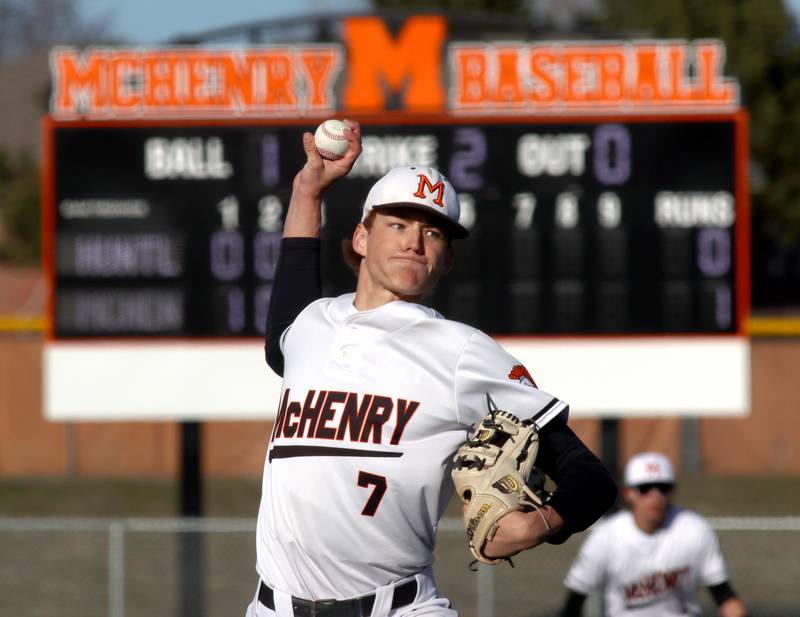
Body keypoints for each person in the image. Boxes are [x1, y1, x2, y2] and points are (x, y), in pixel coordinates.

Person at [246, 119, 617, 617]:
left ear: (446, 261)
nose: (414, 243)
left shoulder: (462, 352)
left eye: (432, 233)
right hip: (271, 608)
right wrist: (307, 191)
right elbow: (279, 336)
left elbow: (589, 477)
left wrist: (540, 524)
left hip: (394, 608)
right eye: (397, 225)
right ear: (361, 237)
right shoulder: (311, 325)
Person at [560, 451, 749, 617]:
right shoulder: (607, 537)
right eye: (645, 488)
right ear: (628, 493)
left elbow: (724, 596)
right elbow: (574, 601)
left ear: (673, 491)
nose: (655, 496)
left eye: (663, 487)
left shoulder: (695, 530)